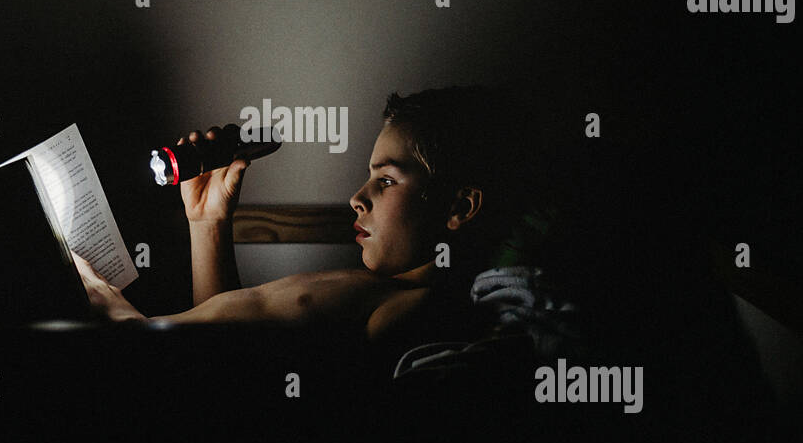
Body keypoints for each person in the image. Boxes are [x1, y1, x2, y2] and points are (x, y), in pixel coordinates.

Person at [74, 86, 566, 353]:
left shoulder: (419, 310)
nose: (357, 197)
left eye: (387, 180)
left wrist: (126, 325)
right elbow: (224, 337)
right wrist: (208, 222)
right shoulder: (375, 290)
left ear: (459, 208)